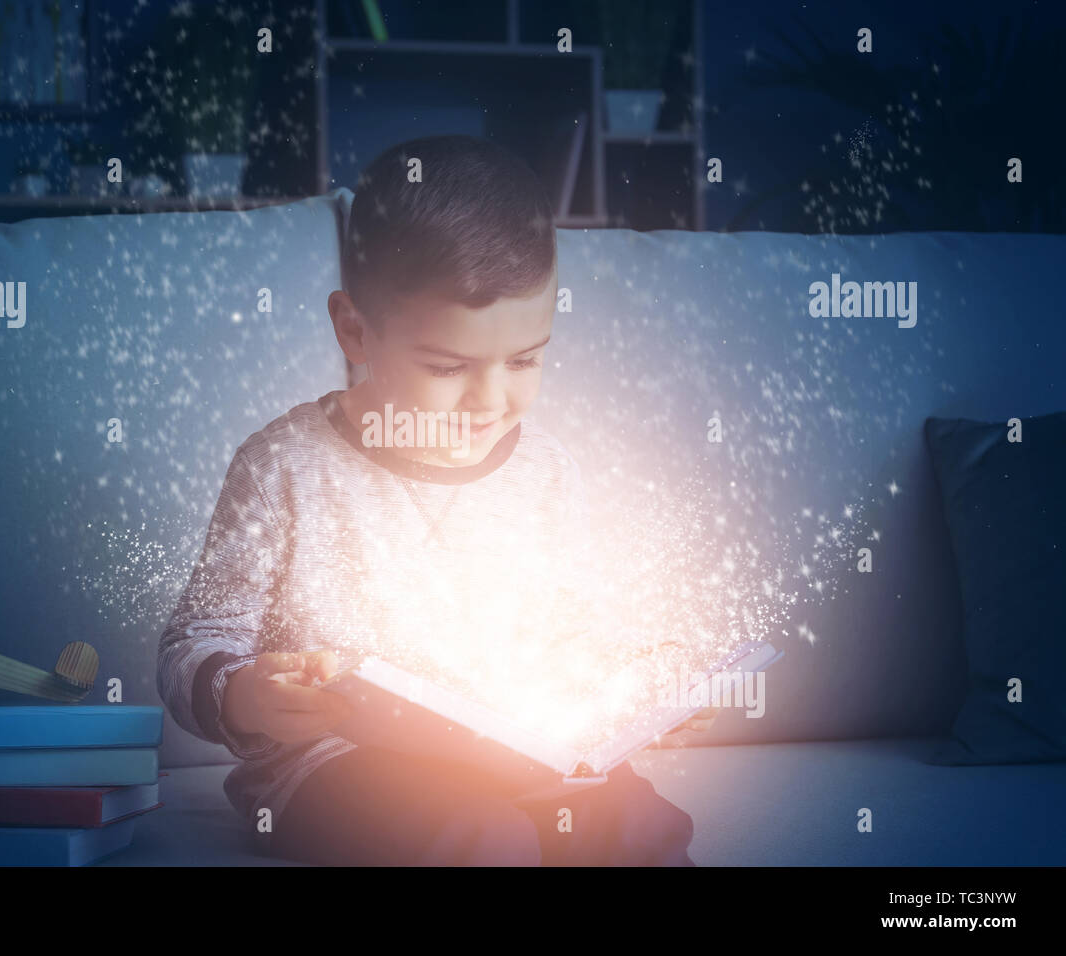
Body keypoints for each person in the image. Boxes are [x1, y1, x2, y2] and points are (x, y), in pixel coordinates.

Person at [157, 134, 715, 866]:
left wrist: (648, 683)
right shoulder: (283, 467)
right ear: (354, 330)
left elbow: (581, 635)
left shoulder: (548, 471)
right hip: (334, 763)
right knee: (484, 839)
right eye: (448, 366)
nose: (491, 400)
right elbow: (193, 642)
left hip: (521, 758)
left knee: (645, 828)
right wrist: (243, 694)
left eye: (523, 359)